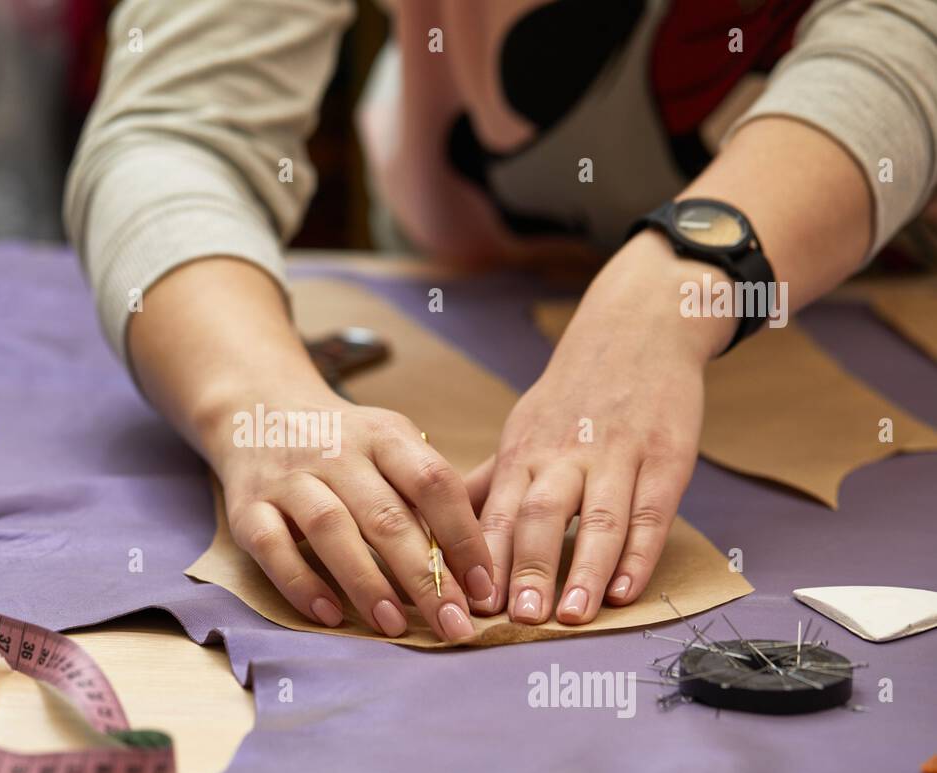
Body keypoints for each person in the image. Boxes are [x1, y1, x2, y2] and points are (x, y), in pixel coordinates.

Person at [66, 0, 937, 643]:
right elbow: (172, 133)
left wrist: (667, 296)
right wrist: (255, 399)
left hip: (873, 291)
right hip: (474, 274)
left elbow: (904, 40)